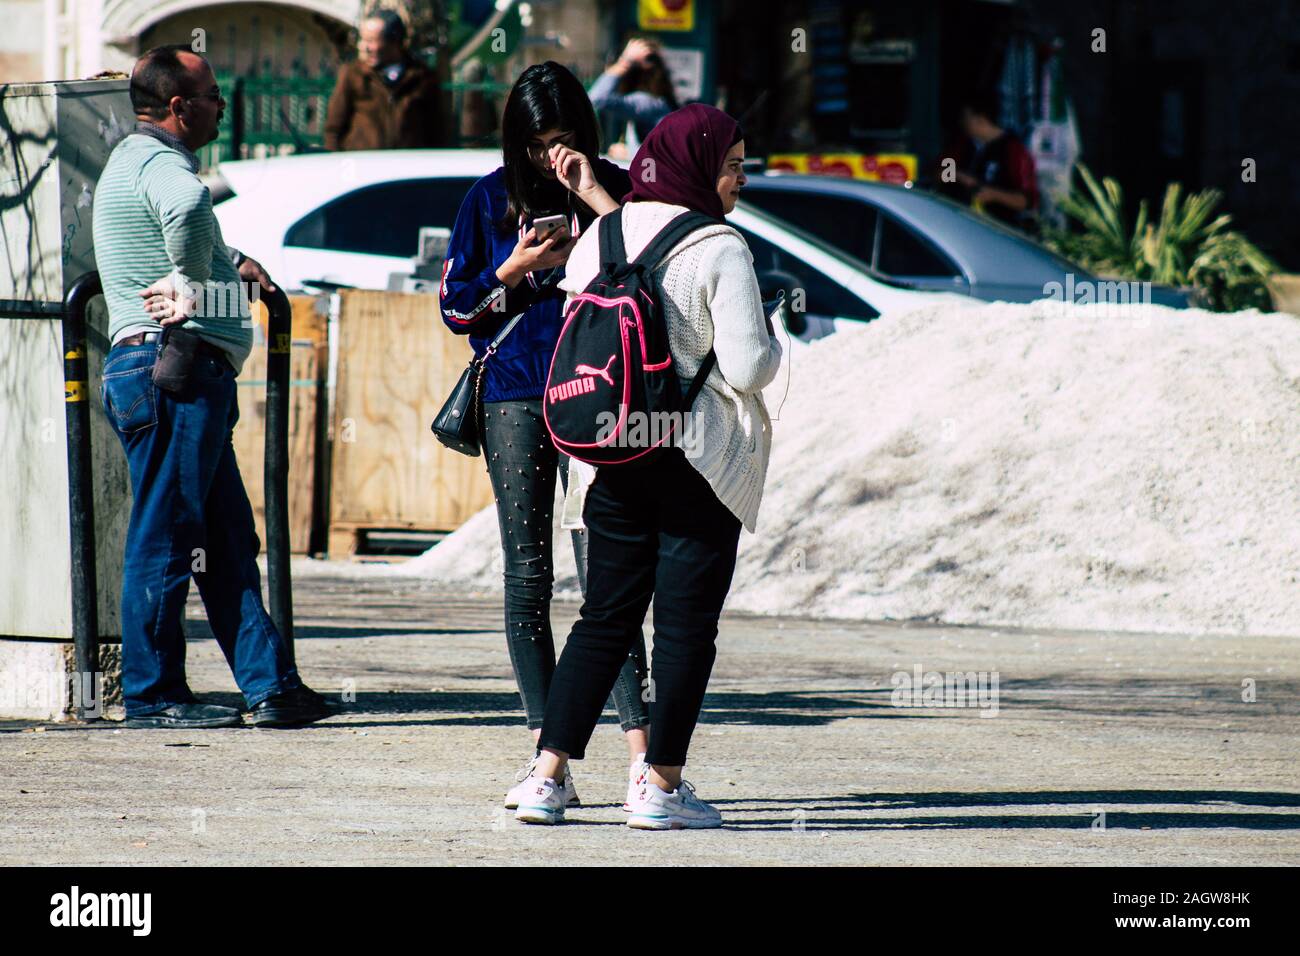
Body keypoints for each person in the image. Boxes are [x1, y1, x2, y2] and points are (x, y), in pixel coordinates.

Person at [515, 104, 783, 829]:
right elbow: (750, 367)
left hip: (613, 450)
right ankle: (660, 787)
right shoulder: (720, 246)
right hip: (696, 461)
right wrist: (779, 333)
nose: (739, 179)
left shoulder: (600, 231)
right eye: (731, 165)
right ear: (697, 165)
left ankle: (547, 777)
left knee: (604, 616)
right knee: (687, 628)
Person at [93, 45, 333, 729]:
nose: (221, 106)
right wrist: (198, 283)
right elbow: (188, 208)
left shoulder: (131, 162)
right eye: (213, 95)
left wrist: (227, 265)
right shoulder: (167, 168)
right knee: (167, 536)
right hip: (172, 372)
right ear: (179, 106)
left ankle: (271, 687)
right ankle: (153, 695)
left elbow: (163, 229)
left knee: (224, 540)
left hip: (174, 373)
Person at [438, 61, 652, 810]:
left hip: (600, 396)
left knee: (610, 577)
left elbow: (652, 281)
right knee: (528, 573)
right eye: (534, 147)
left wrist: (596, 201)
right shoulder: (488, 198)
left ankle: (642, 755)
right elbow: (458, 310)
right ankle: (545, 755)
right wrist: (519, 268)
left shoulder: (617, 187)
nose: (549, 159)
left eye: (562, 142)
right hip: (517, 395)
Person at [324, 10, 443, 150]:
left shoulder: (422, 77)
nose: (364, 47)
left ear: (395, 42)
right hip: (364, 166)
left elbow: (437, 130)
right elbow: (334, 128)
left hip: (408, 166)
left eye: (371, 41)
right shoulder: (353, 74)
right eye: (362, 40)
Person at [937, 90, 1039, 229]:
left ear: (981, 118)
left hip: (998, 228)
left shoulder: (1014, 150)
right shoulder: (962, 144)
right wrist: (958, 176)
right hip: (958, 222)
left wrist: (993, 194)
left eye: (966, 117)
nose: (962, 122)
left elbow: (1026, 201)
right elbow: (940, 173)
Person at [589, 38, 678, 160]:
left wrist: (624, 62)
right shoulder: (657, 102)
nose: (611, 73)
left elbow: (598, 98)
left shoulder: (647, 102)